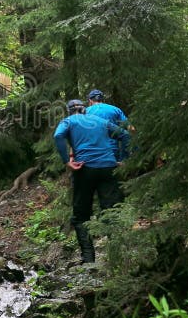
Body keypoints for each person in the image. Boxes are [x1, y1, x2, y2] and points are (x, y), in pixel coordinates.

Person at [54, 99, 131, 263]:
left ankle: (88, 259)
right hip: (108, 168)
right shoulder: (101, 121)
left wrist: (66, 161)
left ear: (69, 111)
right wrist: (123, 159)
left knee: (81, 215)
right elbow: (124, 135)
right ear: (84, 110)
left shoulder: (68, 121)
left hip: (84, 169)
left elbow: (58, 135)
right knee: (111, 211)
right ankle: (118, 256)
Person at [86, 89, 132, 158]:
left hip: (93, 152)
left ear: (90, 100)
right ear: (102, 99)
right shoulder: (115, 109)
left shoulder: (85, 112)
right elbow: (131, 129)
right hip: (113, 151)